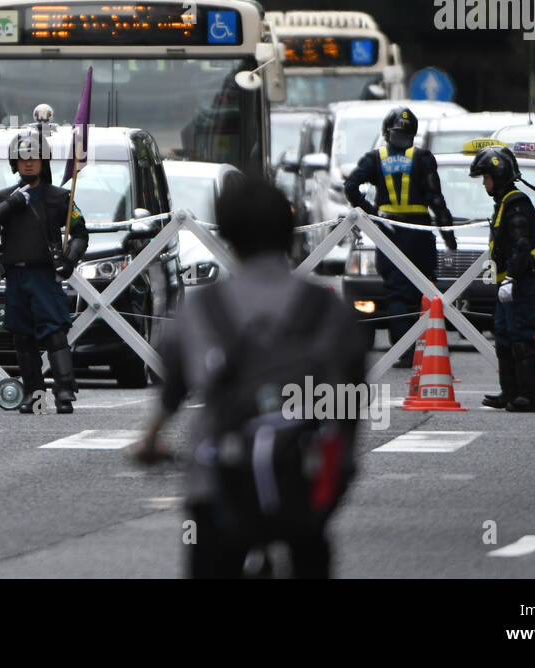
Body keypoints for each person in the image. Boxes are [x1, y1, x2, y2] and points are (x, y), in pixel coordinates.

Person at [134, 174, 369, 578]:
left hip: (218, 484)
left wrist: (149, 443)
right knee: (309, 549)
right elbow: (349, 402)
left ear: (226, 235)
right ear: (288, 233)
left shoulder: (202, 310)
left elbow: (170, 395)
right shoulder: (328, 310)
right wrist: (339, 465)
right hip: (303, 481)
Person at [0, 124, 88, 414]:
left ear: (44, 161)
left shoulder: (60, 198)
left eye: (34, 156)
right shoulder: (3, 196)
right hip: (15, 276)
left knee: (54, 333)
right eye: (22, 157)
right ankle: (35, 394)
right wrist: (11, 204)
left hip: (43, 275)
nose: (28, 161)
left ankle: (64, 391)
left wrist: (69, 259)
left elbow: (80, 233)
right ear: (14, 163)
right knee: (22, 336)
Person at [344, 107, 458, 367]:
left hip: (389, 232)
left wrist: (372, 215)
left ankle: (403, 352)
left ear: (386, 132)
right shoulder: (423, 158)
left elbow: (351, 187)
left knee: (396, 293)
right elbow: (436, 200)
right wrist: (448, 234)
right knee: (425, 289)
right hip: (419, 232)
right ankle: (426, 347)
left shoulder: (374, 158)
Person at [469, 144, 535, 413]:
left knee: (520, 337)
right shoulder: (504, 203)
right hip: (510, 282)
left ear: (498, 176)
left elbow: (522, 244)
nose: (484, 184)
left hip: (523, 281)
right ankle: (509, 392)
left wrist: (512, 278)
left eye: (486, 177)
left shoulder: (516, 204)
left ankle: (525, 396)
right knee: (503, 336)